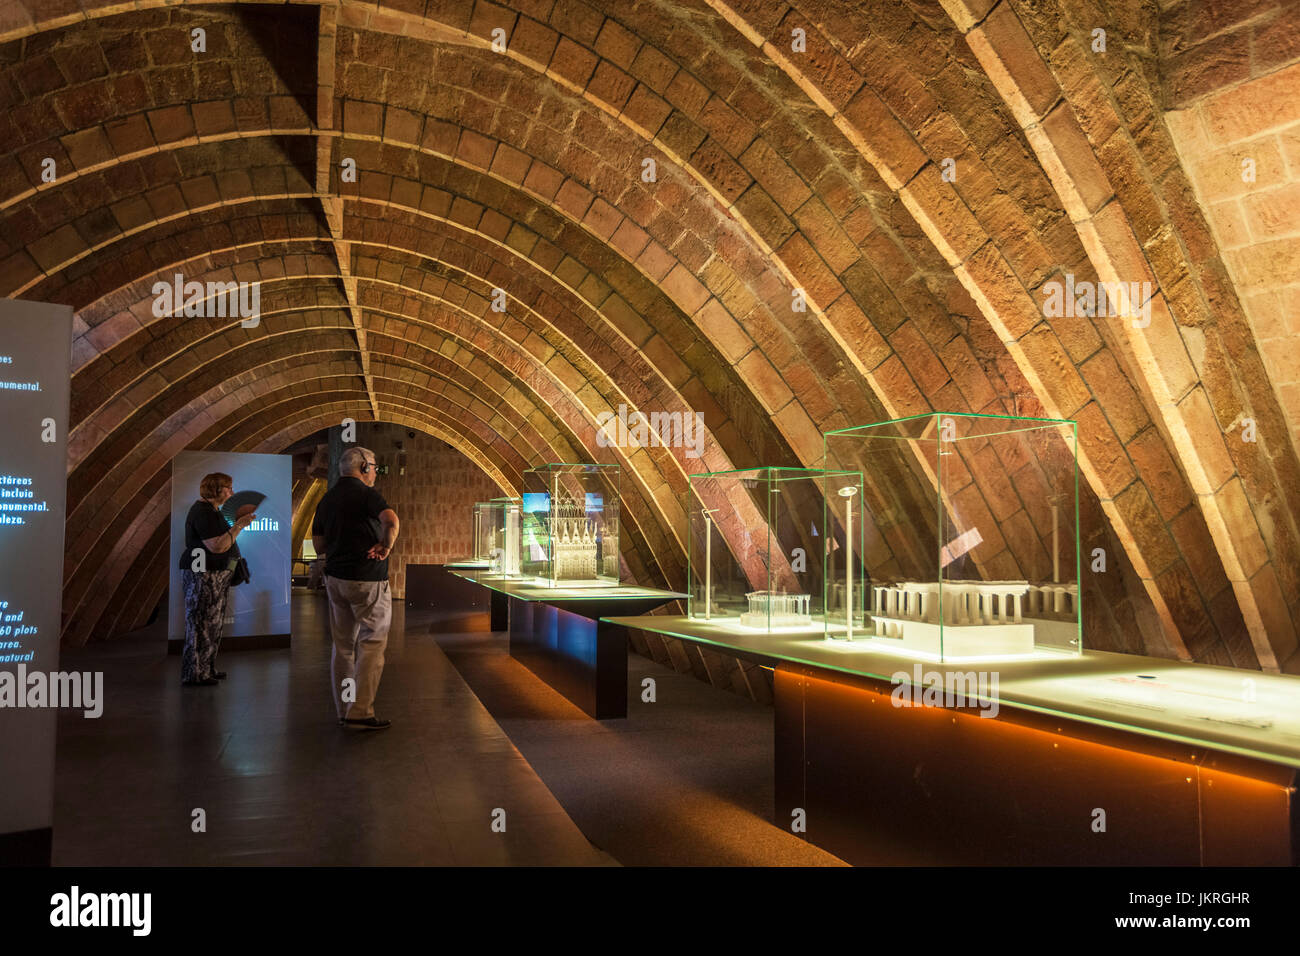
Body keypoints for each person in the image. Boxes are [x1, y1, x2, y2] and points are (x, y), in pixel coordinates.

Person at [311, 446, 400, 730]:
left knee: (343, 647)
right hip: (368, 578)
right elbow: (391, 520)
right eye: (374, 467)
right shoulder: (366, 495)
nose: (375, 473)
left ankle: (344, 708)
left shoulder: (327, 499)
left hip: (336, 580)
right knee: (372, 641)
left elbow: (319, 545)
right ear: (363, 467)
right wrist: (385, 546)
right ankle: (360, 712)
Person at [179, 472, 255, 686]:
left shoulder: (212, 512)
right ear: (215, 489)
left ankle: (206, 668)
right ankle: (195, 673)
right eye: (228, 488)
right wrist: (239, 525)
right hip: (203, 575)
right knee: (201, 623)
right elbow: (217, 546)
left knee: (211, 623)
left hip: (214, 575)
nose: (232, 492)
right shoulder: (203, 512)